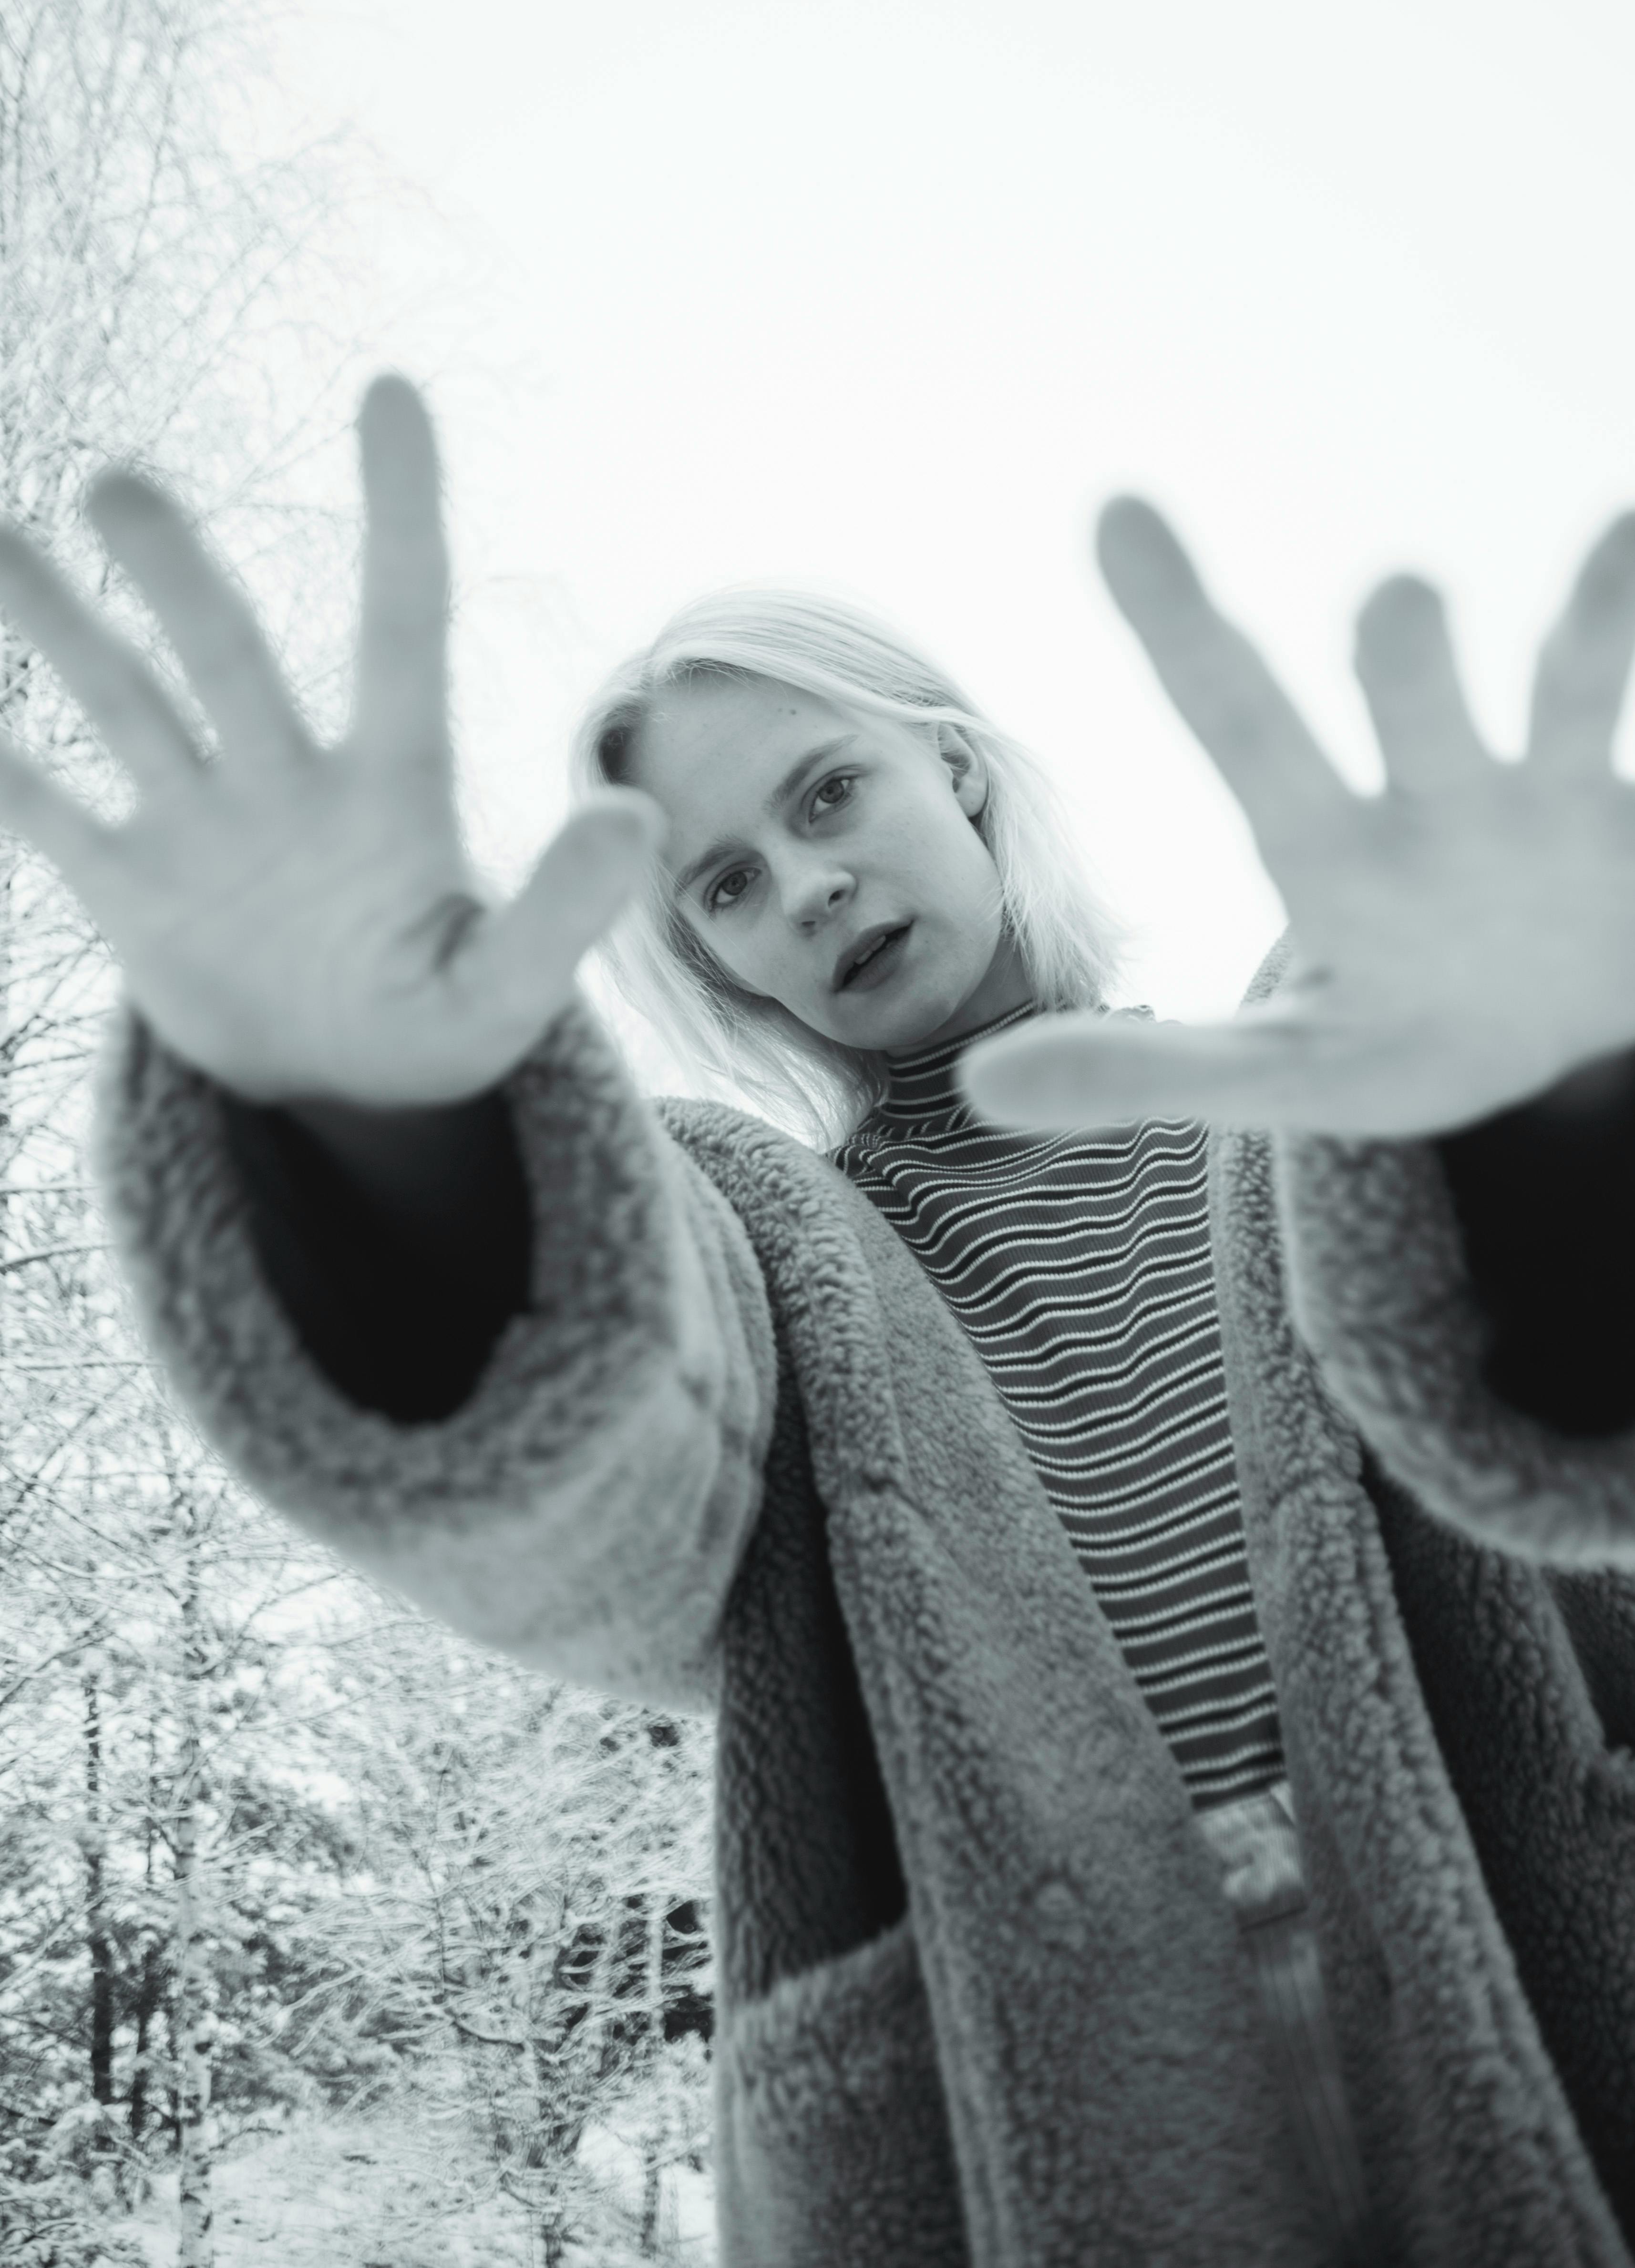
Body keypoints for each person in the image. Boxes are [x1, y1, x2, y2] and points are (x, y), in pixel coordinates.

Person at [2, 373, 1634, 2267]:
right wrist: (393, 1137)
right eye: (729, 883)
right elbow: (602, 1481)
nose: (807, 883)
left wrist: (1567, 1104)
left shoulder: (1331, 1078)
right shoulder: (778, 1251)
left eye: (826, 789)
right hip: (1055, 2087)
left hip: (1520, 1938)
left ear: (956, 761)